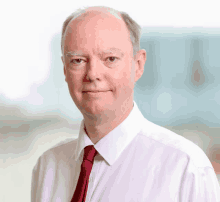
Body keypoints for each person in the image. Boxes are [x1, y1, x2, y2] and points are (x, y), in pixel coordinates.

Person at [31, 6, 220, 202]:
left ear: (138, 65)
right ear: (64, 69)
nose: (93, 74)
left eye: (110, 59)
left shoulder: (186, 169)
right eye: (78, 60)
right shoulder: (47, 166)